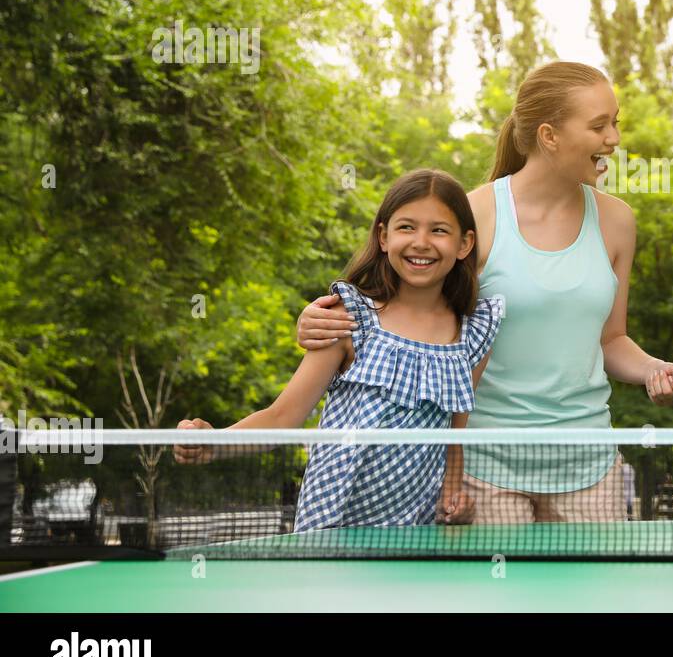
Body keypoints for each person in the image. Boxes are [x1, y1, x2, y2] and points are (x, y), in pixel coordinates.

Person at [295, 62, 673, 524]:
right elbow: (408, 310)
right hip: (485, 470)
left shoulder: (618, 221)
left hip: (589, 468)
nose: (614, 139)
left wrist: (653, 371)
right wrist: (325, 318)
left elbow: (610, 340)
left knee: (595, 600)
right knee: (497, 599)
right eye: (600, 125)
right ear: (550, 135)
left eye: (615, 122)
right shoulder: (475, 215)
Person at [176, 168, 503, 531]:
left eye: (438, 230)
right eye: (406, 227)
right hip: (332, 527)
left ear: (464, 244)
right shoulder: (347, 318)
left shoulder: (472, 333)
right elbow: (282, 418)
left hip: (416, 531)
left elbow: (455, 435)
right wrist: (215, 443)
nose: (421, 242)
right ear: (383, 236)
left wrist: (454, 493)